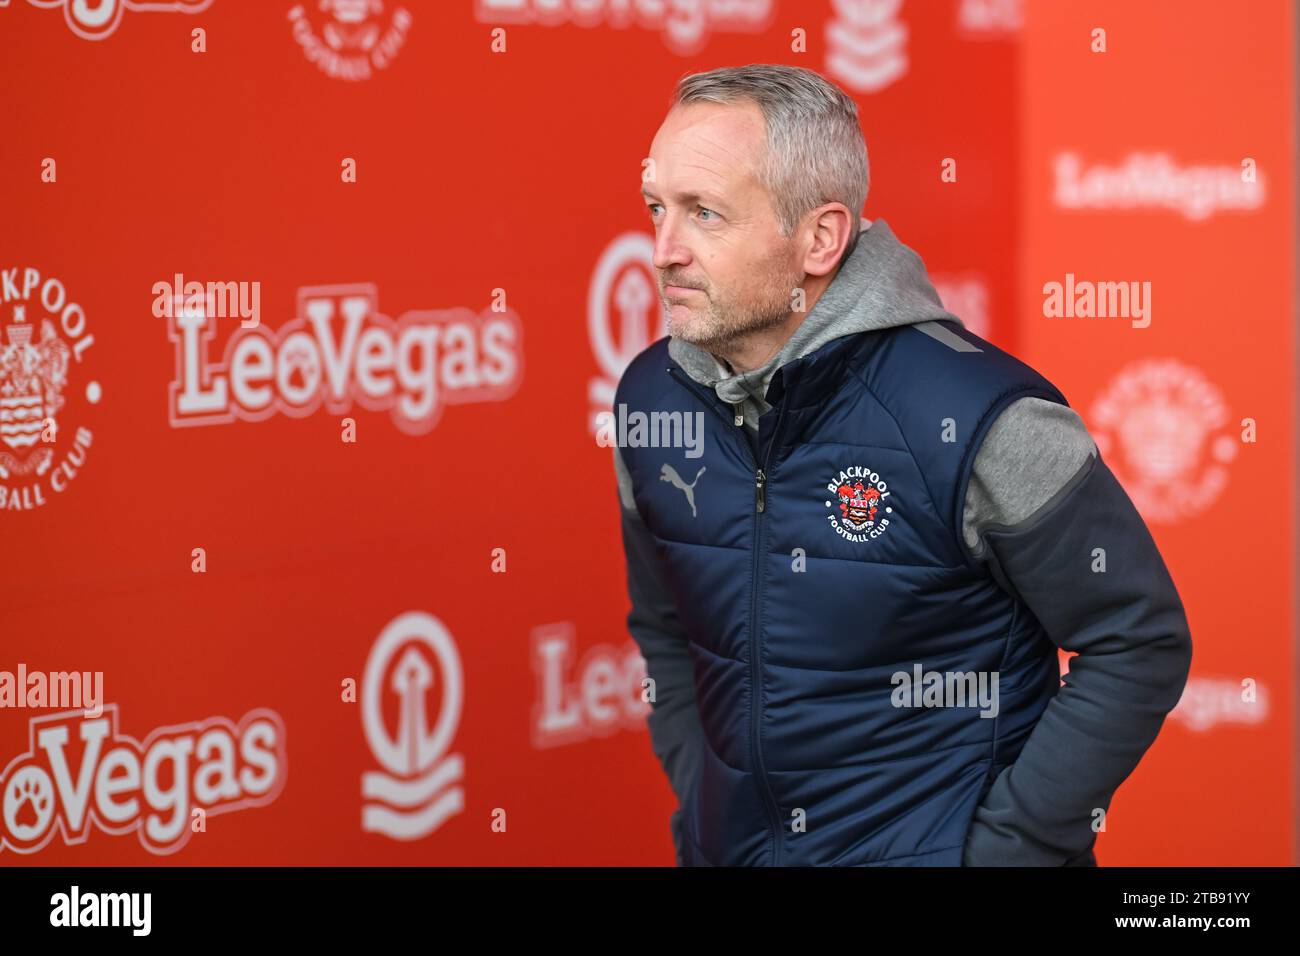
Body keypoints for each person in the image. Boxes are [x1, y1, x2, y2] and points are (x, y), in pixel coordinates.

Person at [612, 63, 1193, 866]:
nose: (663, 250)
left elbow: (1138, 636)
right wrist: (705, 802)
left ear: (820, 238)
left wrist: (1002, 853)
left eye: (704, 214)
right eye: (656, 208)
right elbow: (669, 628)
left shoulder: (979, 413)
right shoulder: (651, 397)